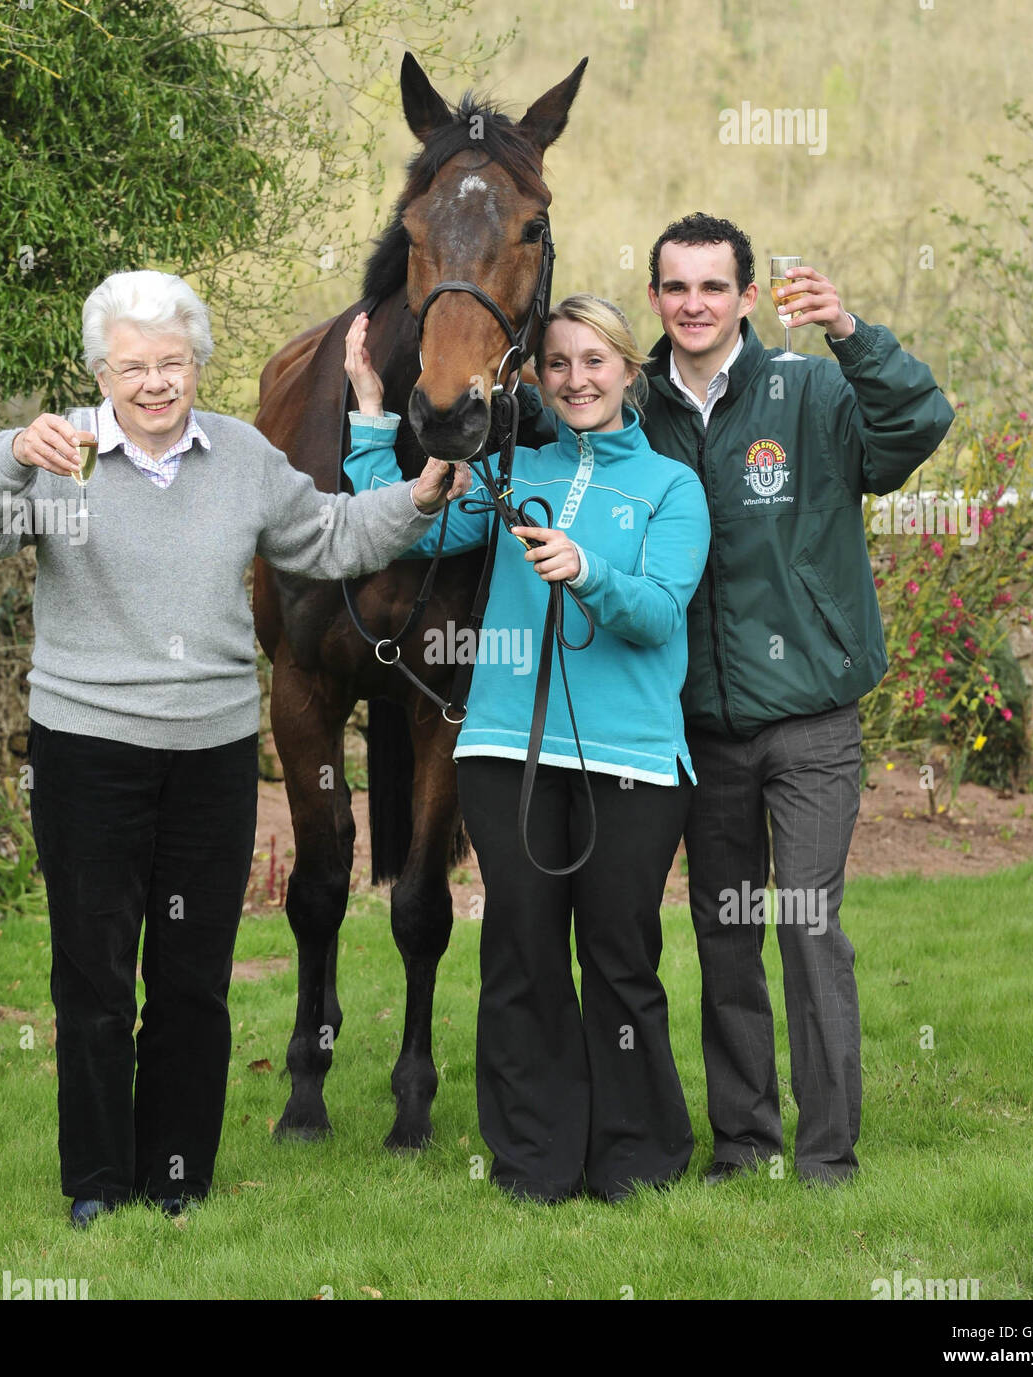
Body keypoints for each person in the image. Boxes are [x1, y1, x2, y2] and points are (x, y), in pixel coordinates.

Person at [0, 269, 467, 1227]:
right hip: (88, 751)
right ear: (101, 369)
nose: (153, 382)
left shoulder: (245, 459)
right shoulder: (65, 454)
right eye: (133, 366)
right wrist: (10, 452)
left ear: (196, 365)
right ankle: (97, 1185)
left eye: (171, 363)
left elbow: (334, 537)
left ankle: (176, 1180)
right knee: (94, 975)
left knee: (191, 980)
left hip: (210, 755)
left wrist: (423, 493)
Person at [341, 295, 711, 1202]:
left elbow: (660, 612)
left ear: (630, 371)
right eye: (557, 364)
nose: (576, 379)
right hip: (506, 753)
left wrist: (589, 572)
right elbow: (409, 521)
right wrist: (369, 416)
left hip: (632, 764)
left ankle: (636, 1158)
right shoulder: (516, 471)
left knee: (621, 962)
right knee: (521, 955)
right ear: (533, 379)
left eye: (595, 361)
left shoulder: (671, 488)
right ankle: (535, 1162)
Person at [639, 213, 956, 1185]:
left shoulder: (810, 388)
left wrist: (852, 331)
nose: (694, 304)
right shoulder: (636, 411)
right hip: (699, 727)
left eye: (712, 286)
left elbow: (917, 424)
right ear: (655, 297)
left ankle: (826, 1156)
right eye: (675, 287)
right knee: (724, 932)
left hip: (811, 720)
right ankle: (742, 1144)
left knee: (807, 926)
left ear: (743, 296)